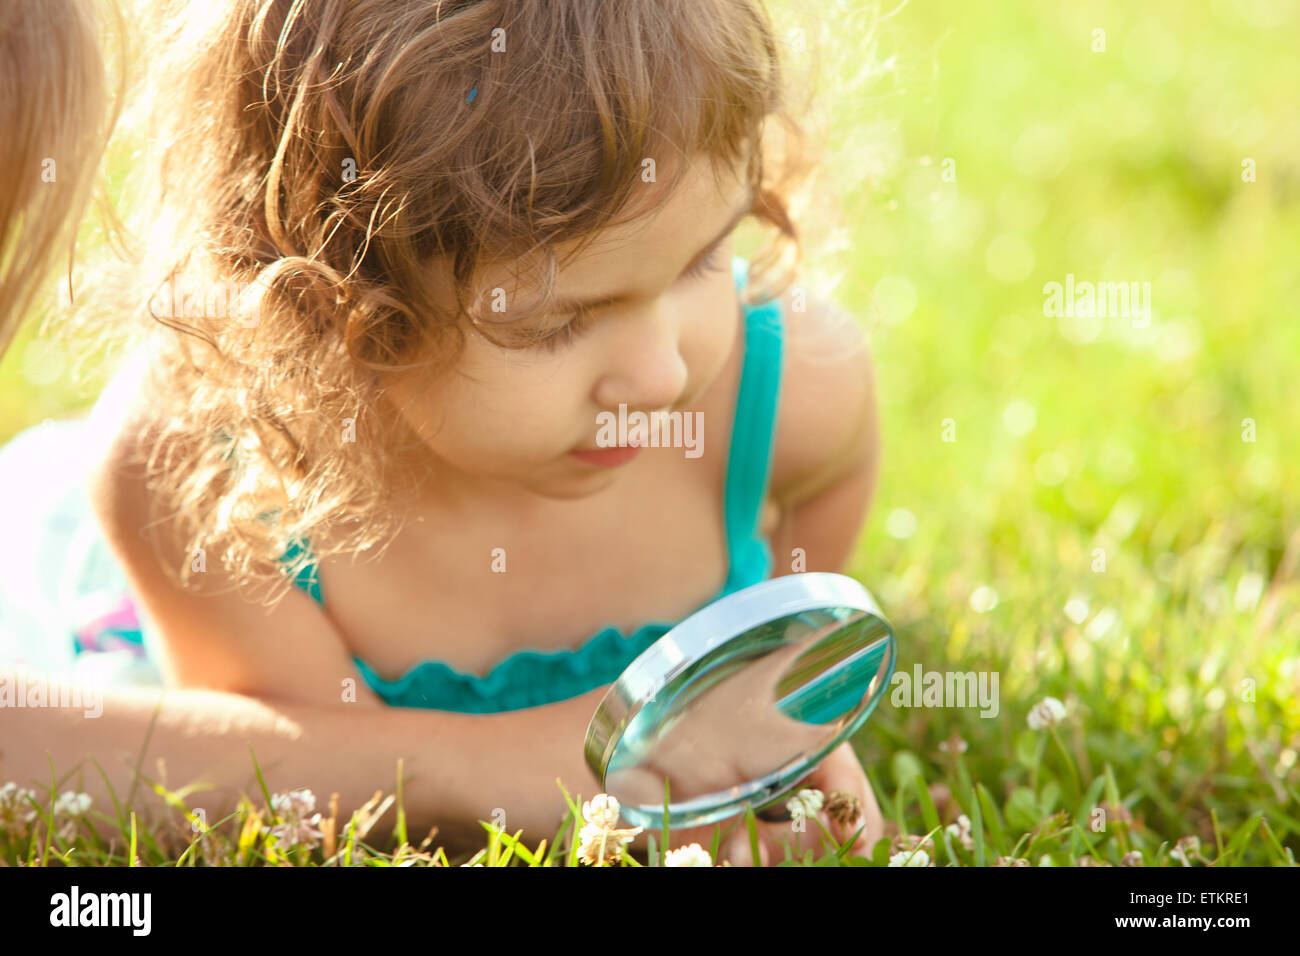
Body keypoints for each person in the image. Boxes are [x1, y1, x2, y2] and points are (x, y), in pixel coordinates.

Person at [0, 0, 883, 865]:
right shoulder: (210, 505)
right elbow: (327, 789)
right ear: (329, 309)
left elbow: (829, 497)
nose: (661, 375)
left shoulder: (791, 387)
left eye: (701, 258)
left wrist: (782, 649)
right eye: (556, 325)